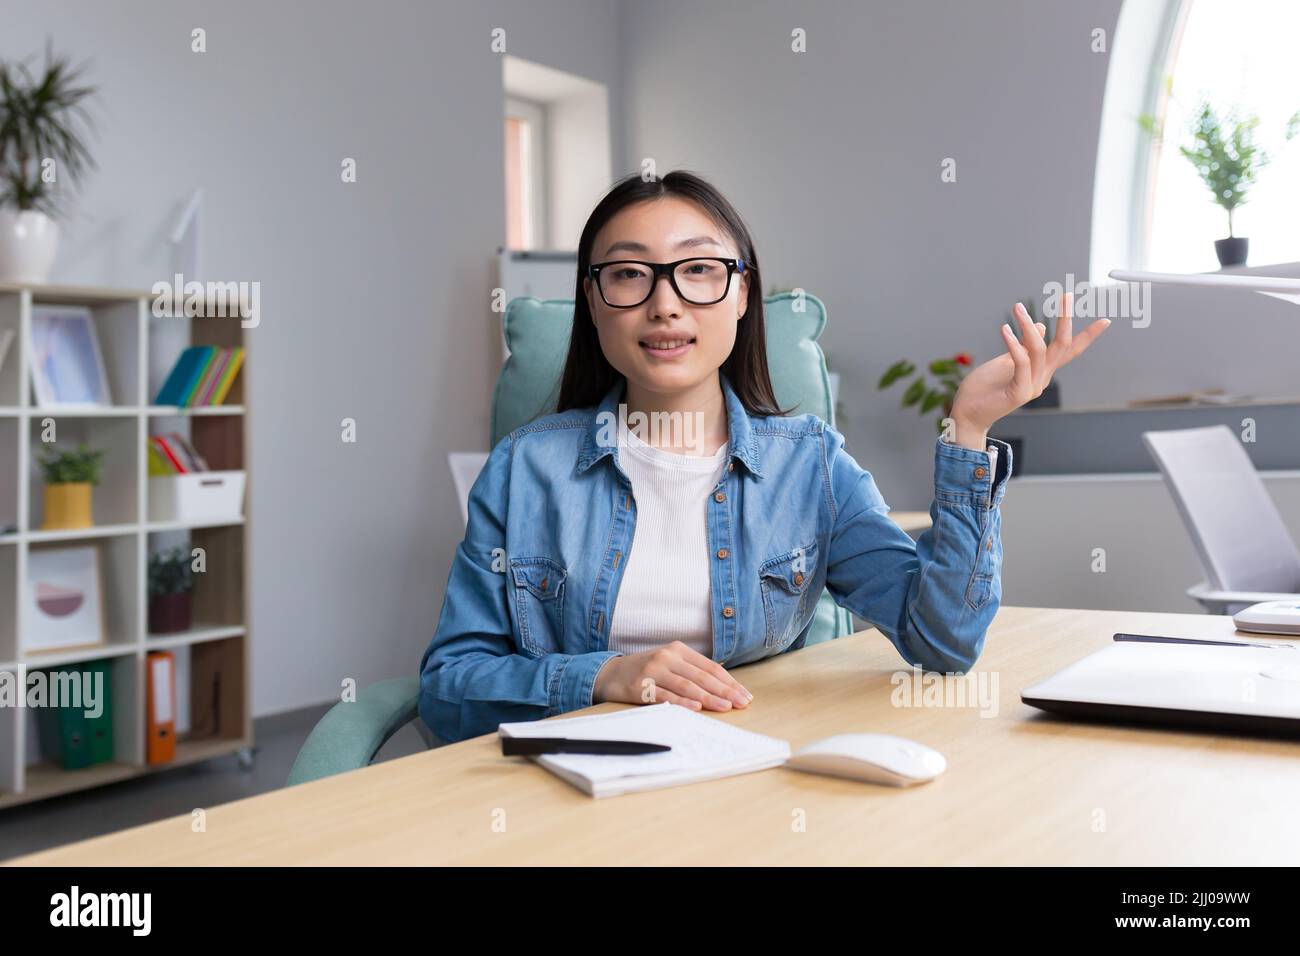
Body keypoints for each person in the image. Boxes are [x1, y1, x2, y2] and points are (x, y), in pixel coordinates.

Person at [419, 170, 1109, 743]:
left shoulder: (807, 466)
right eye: (630, 274)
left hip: (753, 773)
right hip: (573, 784)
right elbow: (449, 691)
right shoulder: (524, 469)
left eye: (698, 270)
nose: (666, 304)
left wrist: (968, 428)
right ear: (594, 302)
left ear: (743, 293)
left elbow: (945, 641)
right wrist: (602, 677)